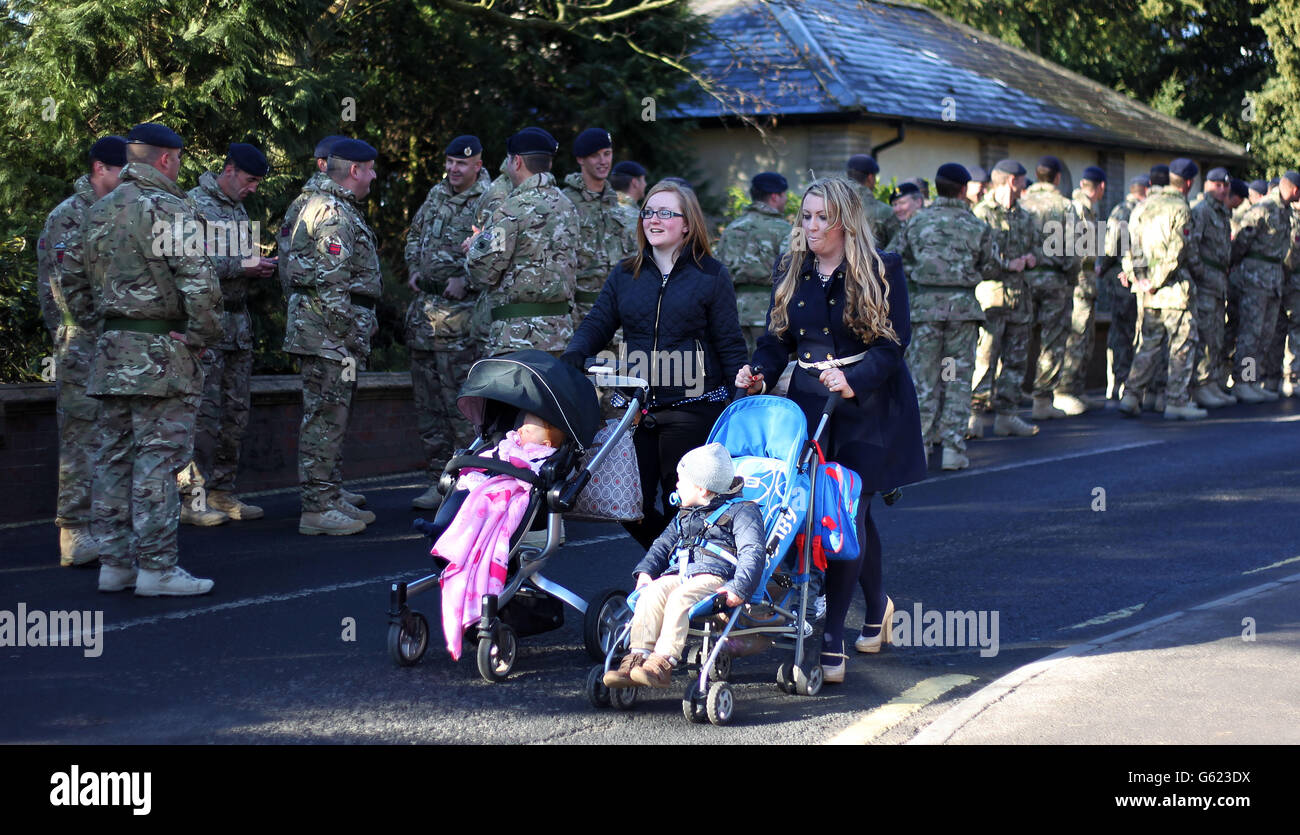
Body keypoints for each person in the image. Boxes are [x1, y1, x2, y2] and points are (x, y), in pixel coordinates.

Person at [739, 176, 926, 683]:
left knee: (846, 510)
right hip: (806, 403)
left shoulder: (882, 267)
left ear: (845, 221)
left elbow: (894, 344)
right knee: (833, 512)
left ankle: (831, 637)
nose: (812, 226)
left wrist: (852, 380)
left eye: (823, 217)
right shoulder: (792, 266)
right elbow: (778, 337)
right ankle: (878, 607)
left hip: (867, 403)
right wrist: (758, 368)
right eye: (806, 216)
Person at [76, 122, 223, 596]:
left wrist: (107, 329)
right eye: (178, 159)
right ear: (165, 159)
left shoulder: (97, 211)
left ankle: (115, 564)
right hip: (162, 354)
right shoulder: (170, 209)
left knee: (113, 458)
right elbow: (199, 284)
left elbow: (76, 290)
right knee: (158, 462)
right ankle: (157, 569)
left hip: (111, 352)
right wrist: (201, 336)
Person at [562, 180, 748, 550]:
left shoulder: (711, 274)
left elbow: (729, 342)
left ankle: (686, 576)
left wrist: (740, 398)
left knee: (687, 504)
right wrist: (572, 356)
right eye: (648, 211)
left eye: (666, 212)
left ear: (687, 224)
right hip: (635, 410)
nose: (653, 219)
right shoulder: (625, 273)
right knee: (629, 505)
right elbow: (597, 323)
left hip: (693, 408)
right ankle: (675, 565)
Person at [602, 443, 765, 690]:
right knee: (652, 593)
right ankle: (638, 656)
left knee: (680, 598)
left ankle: (663, 663)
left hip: (715, 577)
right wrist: (646, 572)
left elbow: (752, 552)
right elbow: (662, 545)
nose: (676, 485)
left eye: (682, 481)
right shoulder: (685, 513)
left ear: (701, 488)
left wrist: (739, 588)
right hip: (681, 572)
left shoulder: (742, 512)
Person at [283, 137, 382, 534]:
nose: (374, 176)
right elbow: (331, 284)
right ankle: (317, 508)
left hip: (324, 330)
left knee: (331, 416)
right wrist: (348, 334)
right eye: (371, 169)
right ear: (355, 170)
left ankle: (328, 494)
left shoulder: (317, 204)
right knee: (325, 418)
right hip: (328, 335)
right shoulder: (331, 211)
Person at [37, 135, 125, 567]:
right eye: (119, 169)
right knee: (79, 438)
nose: (127, 177)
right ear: (98, 168)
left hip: (108, 343)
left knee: (109, 437)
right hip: (82, 344)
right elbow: (62, 292)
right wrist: (72, 334)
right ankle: (73, 533)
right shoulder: (69, 217)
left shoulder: (111, 211)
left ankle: (99, 526)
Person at [178, 143, 277, 526]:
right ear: (230, 169)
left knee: (235, 414)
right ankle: (192, 498)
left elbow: (232, 266)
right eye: (250, 180)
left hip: (237, 325)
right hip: (206, 326)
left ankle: (222, 490)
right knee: (204, 414)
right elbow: (188, 265)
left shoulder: (238, 209)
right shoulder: (191, 205)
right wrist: (243, 266)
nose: (253, 188)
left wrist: (256, 267)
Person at [890, 163, 998, 470]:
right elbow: (992, 267)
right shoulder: (976, 224)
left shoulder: (917, 221)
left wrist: (919, 273)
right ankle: (952, 448)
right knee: (956, 379)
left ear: (936, 188)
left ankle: (921, 445)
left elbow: (895, 259)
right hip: (962, 313)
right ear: (964, 189)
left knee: (924, 379)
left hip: (925, 310)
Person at [405, 134, 491, 510]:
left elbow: (493, 254)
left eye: (462, 163)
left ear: (478, 165)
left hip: (459, 323)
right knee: (428, 409)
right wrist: (412, 267)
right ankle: (436, 482)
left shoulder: (488, 201)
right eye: (450, 162)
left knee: (460, 408)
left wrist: (466, 281)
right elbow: (415, 236)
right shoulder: (436, 195)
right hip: (424, 318)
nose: (454, 169)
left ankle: (466, 483)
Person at [466, 126, 580, 357]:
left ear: (516, 162)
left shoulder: (510, 209)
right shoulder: (568, 207)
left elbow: (482, 272)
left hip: (517, 339)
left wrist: (475, 245)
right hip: (561, 335)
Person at [1119, 158, 1206, 420]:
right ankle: (1177, 400)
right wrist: (1157, 281)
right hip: (1173, 290)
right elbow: (1179, 251)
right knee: (1182, 344)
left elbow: (1130, 246)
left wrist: (1141, 279)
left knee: (1149, 345)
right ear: (1188, 183)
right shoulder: (1181, 208)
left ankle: (1131, 395)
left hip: (1148, 292)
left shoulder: (1143, 207)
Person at [971, 159, 1040, 438]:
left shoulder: (1024, 216)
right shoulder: (981, 214)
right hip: (992, 298)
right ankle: (973, 415)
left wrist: (1033, 258)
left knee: (1016, 359)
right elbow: (975, 257)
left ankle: (1007, 415)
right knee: (985, 357)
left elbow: (1037, 247)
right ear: (1013, 180)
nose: (1025, 186)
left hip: (1019, 299)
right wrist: (1006, 264)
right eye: (1023, 180)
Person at [1017, 155, 1083, 420]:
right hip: (1055, 280)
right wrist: (1071, 277)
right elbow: (1077, 250)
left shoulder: (1020, 203)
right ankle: (1042, 401)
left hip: (1023, 277)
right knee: (1052, 341)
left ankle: (1006, 397)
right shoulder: (1066, 206)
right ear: (1057, 177)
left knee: (1018, 338)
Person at [1228, 170, 1298, 401]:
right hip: (1255, 280)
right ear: (1295, 190)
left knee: (1264, 335)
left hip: (1273, 280)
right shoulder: (1264, 208)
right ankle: (1243, 381)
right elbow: (1241, 242)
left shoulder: (1285, 210)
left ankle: (1253, 380)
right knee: (1251, 334)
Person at [562, 128, 637, 324]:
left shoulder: (617, 204)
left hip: (621, 315)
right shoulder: (565, 203)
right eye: (595, 156)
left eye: (607, 154)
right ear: (580, 159)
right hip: (582, 317)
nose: (603, 161)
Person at [714, 171, 791, 354]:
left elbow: (717, 271)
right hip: (770, 312)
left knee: (739, 370)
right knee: (767, 371)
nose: (786, 200)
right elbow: (794, 272)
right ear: (774, 196)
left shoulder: (732, 228)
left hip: (734, 312)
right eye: (784, 195)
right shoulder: (786, 230)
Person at [1057, 165, 1107, 414]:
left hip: (1087, 280)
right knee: (1075, 335)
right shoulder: (1076, 208)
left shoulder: (1090, 209)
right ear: (1101, 187)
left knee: (1085, 338)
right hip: (1078, 281)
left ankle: (1075, 388)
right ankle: (1063, 390)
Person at [1186, 167, 1236, 408]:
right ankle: (1201, 384)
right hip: (1206, 282)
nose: (1223, 189)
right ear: (1207, 185)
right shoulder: (1202, 211)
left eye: (1225, 185)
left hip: (1219, 282)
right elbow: (1192, 246)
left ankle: (1213, 380)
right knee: (1205, 334)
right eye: (1218, 185)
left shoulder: (1222, 213)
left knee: (1216, 334)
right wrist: (1201, 273)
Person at [1097, 174, 1148, 399]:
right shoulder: (1131, 211)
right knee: (1125, 331)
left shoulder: (1122, 210)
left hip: (1126, 275)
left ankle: (1120, 381)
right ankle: (1122, 380)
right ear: (1145, 190)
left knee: (1124, 330)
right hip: (1125, 278)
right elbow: (1111, 246)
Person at [846, 154, 898, 249]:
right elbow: (897, 246)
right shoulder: (885, 211)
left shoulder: (832, 204)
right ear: (870, 178)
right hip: (873, 262)